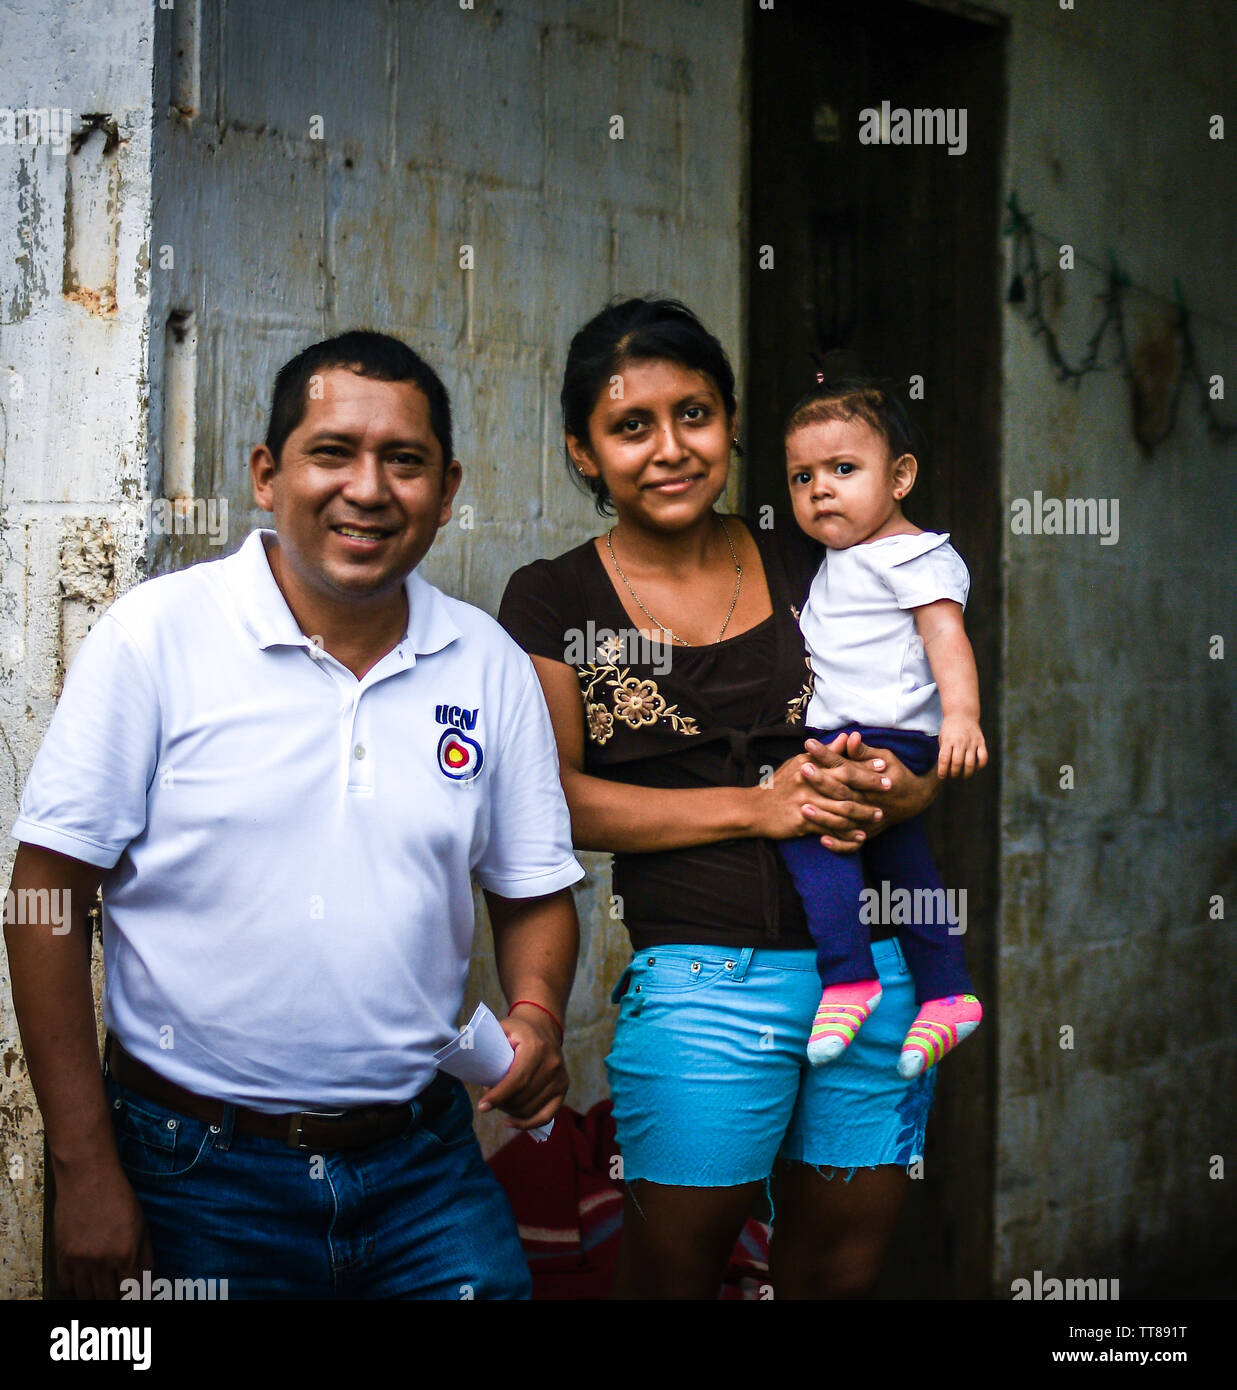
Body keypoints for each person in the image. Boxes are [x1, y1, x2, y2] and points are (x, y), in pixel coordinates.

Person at [3, 330, 583, 1300]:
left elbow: (531, 890)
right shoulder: (158, 638)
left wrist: (534, 1012)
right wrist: (84, 1168)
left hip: (422, 1171)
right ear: (267, 475)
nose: (368, 488)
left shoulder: (485, 663)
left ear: (446, 492)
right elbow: (45, 897)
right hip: (190, 1174)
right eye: (332, 453)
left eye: (404, 461)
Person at [498, 298, 943, 1300]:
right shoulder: (553, 598)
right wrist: (757, 807)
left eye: (693, 415)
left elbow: (919, 742)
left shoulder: (812, 558)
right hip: (702, 983)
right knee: (673, 1274)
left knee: (837, 1271)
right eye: (629, 425)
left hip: (870, 971)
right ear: (583, 451)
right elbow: (554, 800)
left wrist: (886, 789)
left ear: (731, 424)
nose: (669, 449)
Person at [778, 371, 986, 1078]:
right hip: (857, 730)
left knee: (813, 831)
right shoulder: (838, 558)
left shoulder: (914, 553)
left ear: (899, 477)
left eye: (842, 469)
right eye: (801, 477)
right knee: (903, 868)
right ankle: (948, 993)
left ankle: (848, 979)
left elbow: (945, 639)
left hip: (887, 732)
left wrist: (960, 717)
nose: (819, 490)